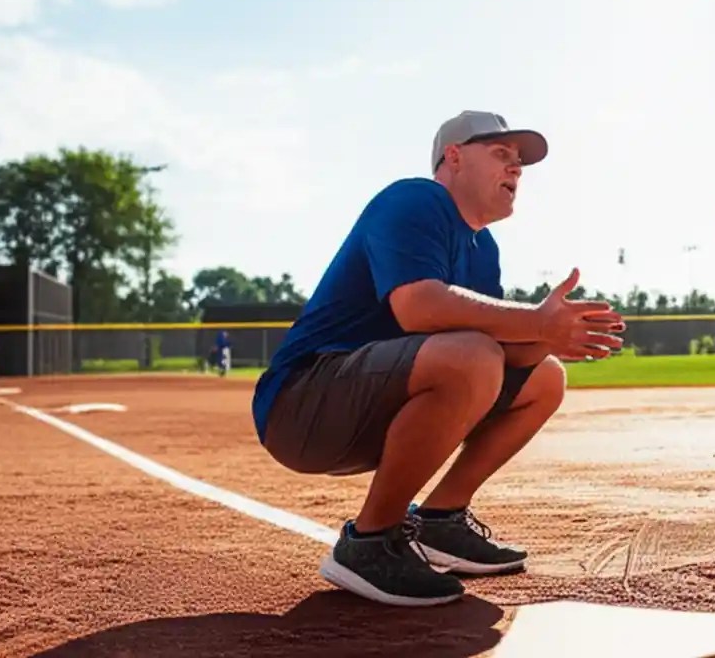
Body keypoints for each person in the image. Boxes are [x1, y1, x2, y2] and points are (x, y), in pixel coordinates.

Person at [250, 110, 625, 607]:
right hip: (303, 405)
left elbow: (503, 349)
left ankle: (440, 521)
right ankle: (368, 542)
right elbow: (418, 306)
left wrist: (554, 336)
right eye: (500, 154)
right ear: (453, 156)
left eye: (519, 162)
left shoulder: (482, 247)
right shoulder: (415, 199)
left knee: (544, 378)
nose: (515, 169)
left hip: (367, 404)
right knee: (472, 357)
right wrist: (536, 322)